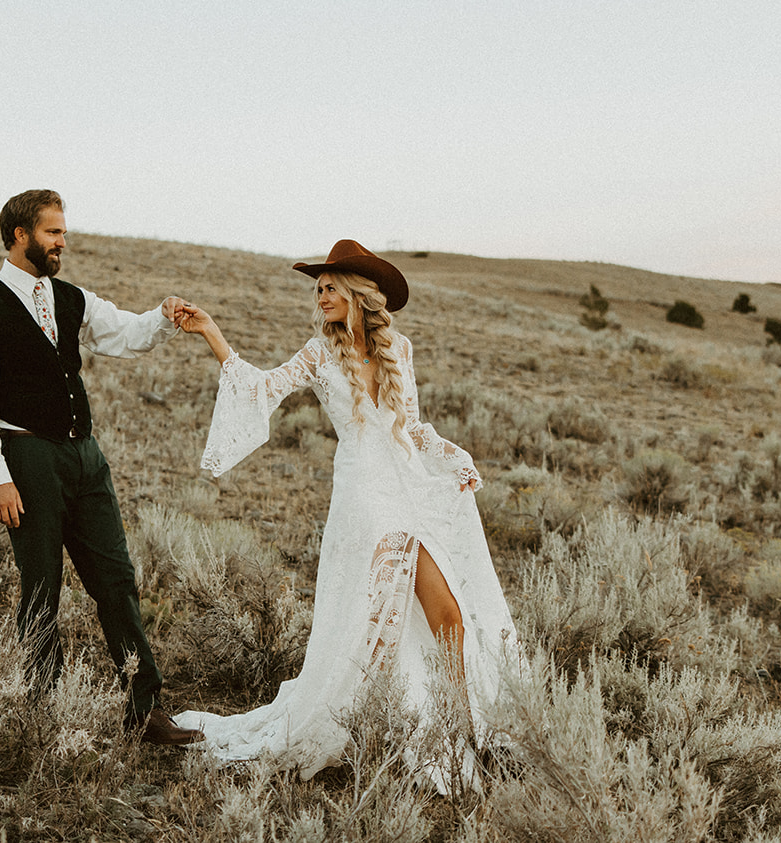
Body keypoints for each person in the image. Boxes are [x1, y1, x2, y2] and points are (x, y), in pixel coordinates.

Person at [169, 239, 519, 777]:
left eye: (330, 287)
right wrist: (212, 333)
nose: (322, 295)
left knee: (447, 612)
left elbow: (412, 425)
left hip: (407, 486)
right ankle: (381, 724)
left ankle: (467, 729)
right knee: (377, 612)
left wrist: (453, 457)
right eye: (319, 288)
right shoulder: (318, 353)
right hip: (363, 497)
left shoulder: (399, 350)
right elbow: (262, 389)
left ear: (358, 293)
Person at [0, 189, 203, 746]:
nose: (64, 241)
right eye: (53, 233)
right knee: (41, 586)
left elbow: (126, 335)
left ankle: (145, 710)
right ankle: (42, 712)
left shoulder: (70, 298)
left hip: (84, 457)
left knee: (117, 579)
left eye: (63, 232)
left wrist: (162, 318)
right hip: (26, 457)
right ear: (20, 235)